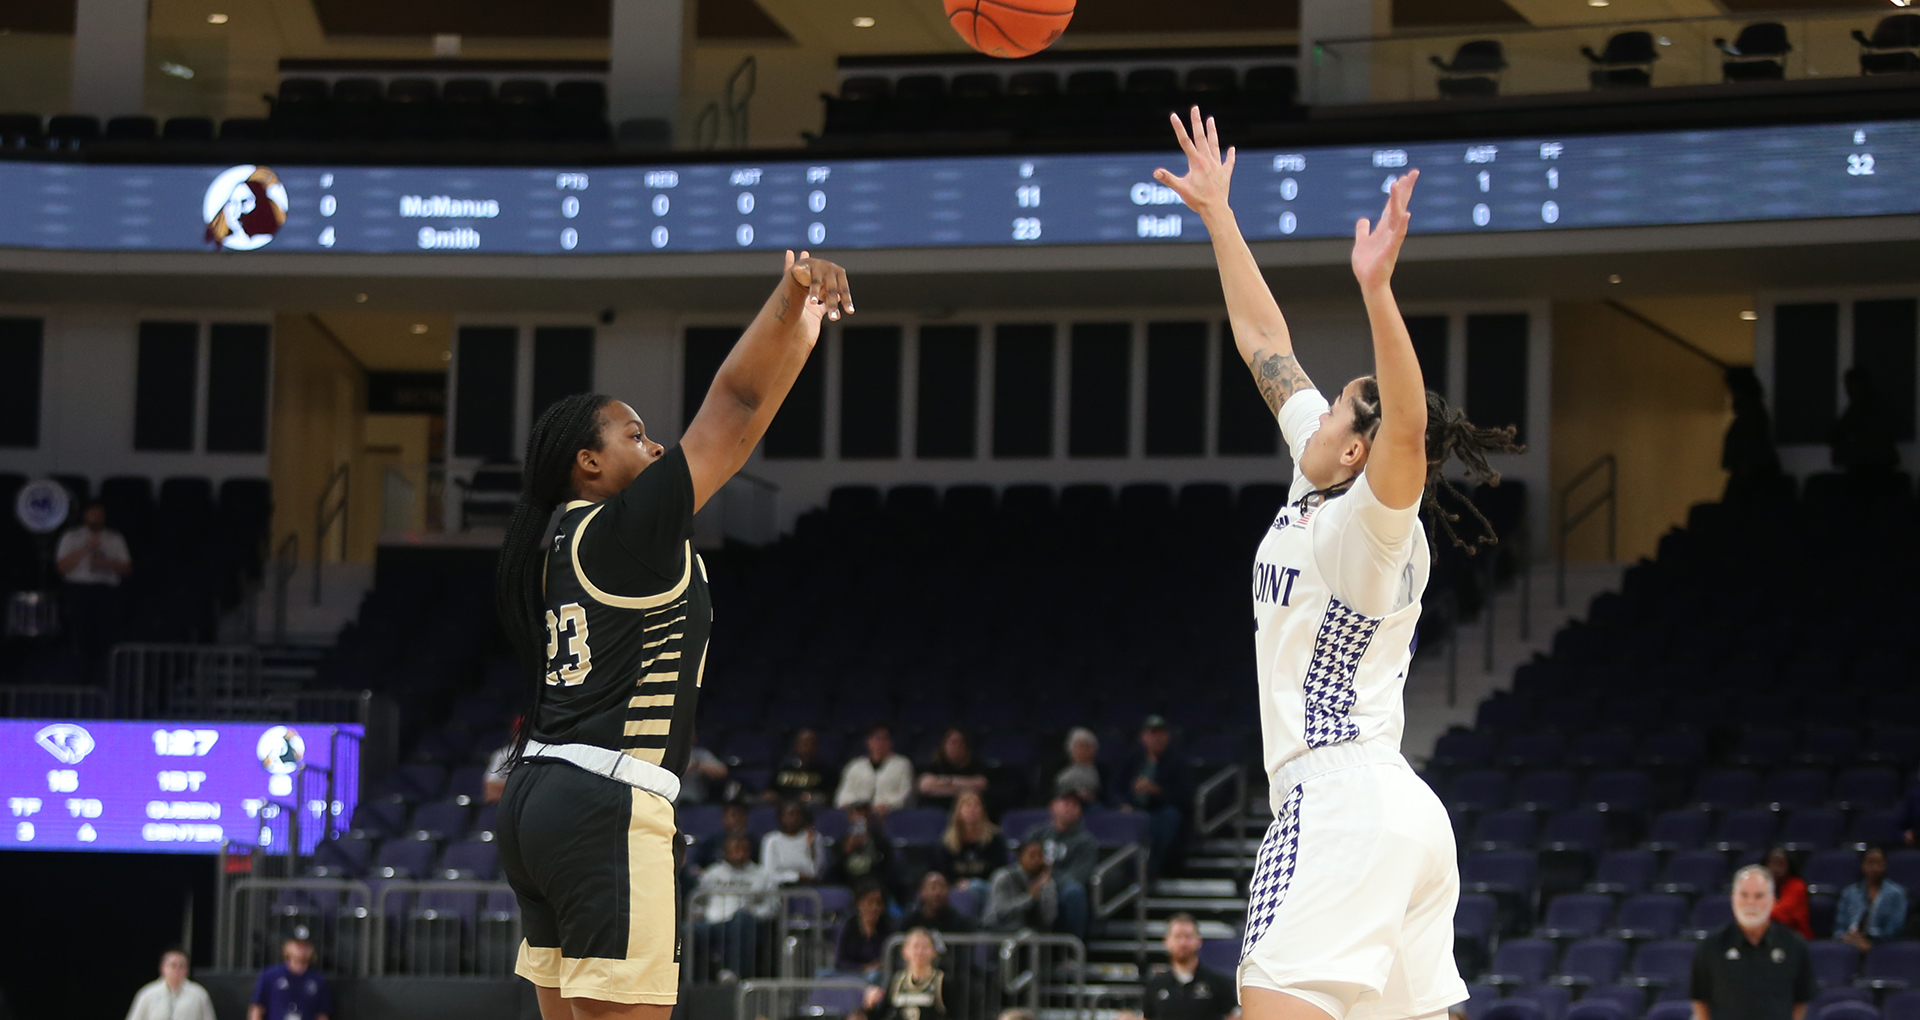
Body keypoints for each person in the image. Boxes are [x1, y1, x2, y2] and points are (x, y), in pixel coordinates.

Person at [1159, 107, 1521, 1020]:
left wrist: (1379, 291)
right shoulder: (1313, 474)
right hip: (1401, 817)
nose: (1317, 409)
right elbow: (1264, 345)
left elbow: (1404, 427)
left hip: (1338, 804)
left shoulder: (1370, 526)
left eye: (1338, 410)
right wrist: (1218, 215)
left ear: (1359, 451)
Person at [492, 251, 852, 1019]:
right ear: (589, 463)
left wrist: (803, 331)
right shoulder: (626, 530)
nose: (655, 448)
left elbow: (748, 414)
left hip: (537, 798)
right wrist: (786, 301)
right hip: (603, 804)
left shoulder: (560, 538)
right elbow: (735, 401)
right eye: (635, 434)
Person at [1690, 865, 1814, 1020]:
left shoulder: (1794, 945)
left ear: (1773, 899)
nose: (1751, 903)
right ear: (1733, 897)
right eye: (1744, 895)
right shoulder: (1710, 946)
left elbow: (1801, 1001)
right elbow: (1700, 1001)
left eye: (1759, 896)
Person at [1111, 715, 1194, 876]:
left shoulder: (1177, 762)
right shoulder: (1131, 760)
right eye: (1152, 734)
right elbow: (1114, 789)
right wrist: (1122, 804)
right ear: (1143, 737)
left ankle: (1151, 869)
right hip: (1133, 810)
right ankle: (1124, 873)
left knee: (1170, 816)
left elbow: (1185, 796)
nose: (1156, 738)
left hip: (1159, 811)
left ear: (1167, 737)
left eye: (1160, 734)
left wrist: (1156, 790)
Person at [1121, 914, 1240, 1020]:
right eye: (1178, 936)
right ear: (1167, 941)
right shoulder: (1155, 986)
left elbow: (1234, 1016)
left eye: (1188, 936)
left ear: (1198, 941)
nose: (1183, 943)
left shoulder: (1218, 983)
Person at [695, 834, 780, 980]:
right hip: (713, 922)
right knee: (689, 930)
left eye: (743, 849)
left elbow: (773, 905)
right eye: (735, 849)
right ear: (725, 852)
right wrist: (699, 913)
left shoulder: (762, 875)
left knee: (741, 919)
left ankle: (733, 973)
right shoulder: (712, 874)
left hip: (745, 923)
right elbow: (697, 901)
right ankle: (691, 981)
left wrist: (754, 913)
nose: (739, 853)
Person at [56, 500, 131, 664]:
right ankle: (81, 663)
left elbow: (126, 568)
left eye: (100, 515)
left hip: (105, 589)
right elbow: (62, 567)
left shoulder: (114, 538)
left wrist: (106, 563)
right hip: (79, 589)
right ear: (85, 516)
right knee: (81, 631)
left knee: (106, 631)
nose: (96, 518)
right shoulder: (71, 536)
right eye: (93, 514)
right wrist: (85, 548)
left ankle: (104, 664)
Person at [1031, 791, 1097, 940]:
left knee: (1075, 891)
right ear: (1052, 806)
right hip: (1034, 884)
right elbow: (1023, 865)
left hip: (1062, 890)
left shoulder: (1086, 842)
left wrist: (1049, 880)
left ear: (1079, 811)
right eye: (1064, 802)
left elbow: (1078, 876)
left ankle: (1071, 951)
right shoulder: (1036, 834)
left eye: (1074, 804)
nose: (1069, 808)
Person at [1721, 367, 1783, 507]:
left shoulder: (1749, 414)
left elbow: (1746, 448)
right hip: (1756, 478)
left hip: (1752, 479)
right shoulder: (1754, 411)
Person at [862, 928, 949, 1020]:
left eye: (925, 947)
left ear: (933, 952)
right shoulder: (897, 980)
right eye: (915, 946)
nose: (919, 952)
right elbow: (880, 1015)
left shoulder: (942, 981)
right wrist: (870, 1005)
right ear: (905, 951)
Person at [1836, 845, 1909, 951]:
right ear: (1863, 865)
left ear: (1885, 865)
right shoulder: (1849, 892)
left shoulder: (1897, 894)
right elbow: (1839, 928)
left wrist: (1868, 936)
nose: (1875, 868)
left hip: (1883, 947)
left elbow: (1895, 929)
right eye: (1870, 862)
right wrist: (1848, 938)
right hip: (1849, 944)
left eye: (1879, 863)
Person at [1831, 368, 1900, 477]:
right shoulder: (1876, 405)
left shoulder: (1861, 407)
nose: (1847, 390)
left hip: (1866, 466)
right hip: (1879, 465)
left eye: (1850, 385)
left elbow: (1837, 433)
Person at [931, 791, 1005, 890]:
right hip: (956, 890)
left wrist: (973, 884)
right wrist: (957, 883)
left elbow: (999, 873)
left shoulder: (995, 839)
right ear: (958, 811)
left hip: (987, 890)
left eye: (976, 805)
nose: (972, 809)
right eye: (967, 805)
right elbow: (942, 874)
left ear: (982, 810)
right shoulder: (946, 842)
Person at [837, 723, 915, 815]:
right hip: (859, 814)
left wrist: (886, 805)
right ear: (868, 741)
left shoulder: (903, 764)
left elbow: (906, 794)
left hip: (891, 813)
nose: (880, 742)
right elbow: (844, 793)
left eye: (885, 738)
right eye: (876, 738)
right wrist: (853, 805)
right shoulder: (855, 766)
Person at [248, 938, 332, 1020]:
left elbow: (322, 1014)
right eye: (297, 945)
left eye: (305, 945)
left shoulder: (318, 980)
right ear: (287, 946)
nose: (301, 949)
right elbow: (257, 1009)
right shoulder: (270, 975)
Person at [984, 839, 1058, 932]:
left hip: (1031, 934)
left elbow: (1048, 920)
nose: (1036, 860)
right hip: (998, 931)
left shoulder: (1046, 882)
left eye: (1040, 856)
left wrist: (1046, 891)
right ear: (1020, 857)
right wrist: (1030, 898)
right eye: (1032, 856)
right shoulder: (1004, 877)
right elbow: (1000, 913)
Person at [125, 948, 215, 1020]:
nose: (177, 969)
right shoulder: (148, 994)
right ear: (162, 968)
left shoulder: (199, 994)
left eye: (182, 966)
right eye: (173, 965)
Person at [917, 728, 990, 815]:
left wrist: (944, 782)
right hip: (936, 811)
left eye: (960, 742)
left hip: (968, 813)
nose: (957, 746)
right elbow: (925, 786)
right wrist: (966, 787)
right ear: (944, 745)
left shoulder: (976, 765)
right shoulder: (933, 766)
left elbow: (981, 784)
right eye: (953, 742)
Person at [835, 882, 896, 981]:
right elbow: (840, 962)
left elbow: (893, 959)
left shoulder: (888, 927)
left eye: (878, 903)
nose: (874, 908)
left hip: (880, 977)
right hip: (851, 976)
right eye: (869, 902)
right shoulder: (847, 927)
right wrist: (864, 968)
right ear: (859, 904)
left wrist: (880, 966)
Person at [826, 801, 893, 889]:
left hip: (873, 884)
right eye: (857, 813)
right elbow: (834, 871)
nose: (861, 817)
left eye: (865, 813)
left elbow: (885, 867)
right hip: (848, 884)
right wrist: (845, 851)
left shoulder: (880, 841)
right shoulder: (840, 842)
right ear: (850, 817)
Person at [761, 801, 828, 884]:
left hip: (809, 886)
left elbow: (816, 873)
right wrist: (796, 877)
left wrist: (811, 848)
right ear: (781, 817)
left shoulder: (813, 837)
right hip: (781, 887)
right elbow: (769, 874)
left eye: (798, 814)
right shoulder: (771, 840)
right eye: (791, 814)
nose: (795, 818)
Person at [768, 728, 833, 806]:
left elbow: (829, 797)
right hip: (784, 808)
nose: (807, 748)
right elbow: (770, 791)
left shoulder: (826, 772)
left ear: (816, 746)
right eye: (804, 744)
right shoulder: (783, 768)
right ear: (796, 745)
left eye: (811, 743)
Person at [692, 800, 753, 875]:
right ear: (725, 818)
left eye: (741, 815)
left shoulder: (753, 842)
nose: (737, 819)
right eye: (733, 815)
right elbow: (697, 866)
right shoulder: (711, 842)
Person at [905, 870, 976, 934]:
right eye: (933, 888)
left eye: (942, 887)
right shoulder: (910, 922)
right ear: (923, 892)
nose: (938, 893)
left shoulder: (960, 924)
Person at [1765, 847, 1812, 940]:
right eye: (1772, 863)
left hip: (1796, 939)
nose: (1776, 868)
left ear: (1789, 866)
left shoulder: (1797, 886)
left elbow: (1782, 915)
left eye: (1780, 864)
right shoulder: (1761, 886)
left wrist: (1756, 914)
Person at [1054, 728, 1103, 803]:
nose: (1083, 750)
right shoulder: (1057, 769)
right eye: (1080, 746)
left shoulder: (1104, 771)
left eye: (1087, 746)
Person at [680, 731, 730, 805]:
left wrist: (697, 765)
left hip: (695, 801)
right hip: (670, 801)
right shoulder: (667, 753)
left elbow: (723, 771)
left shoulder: (700, 754)